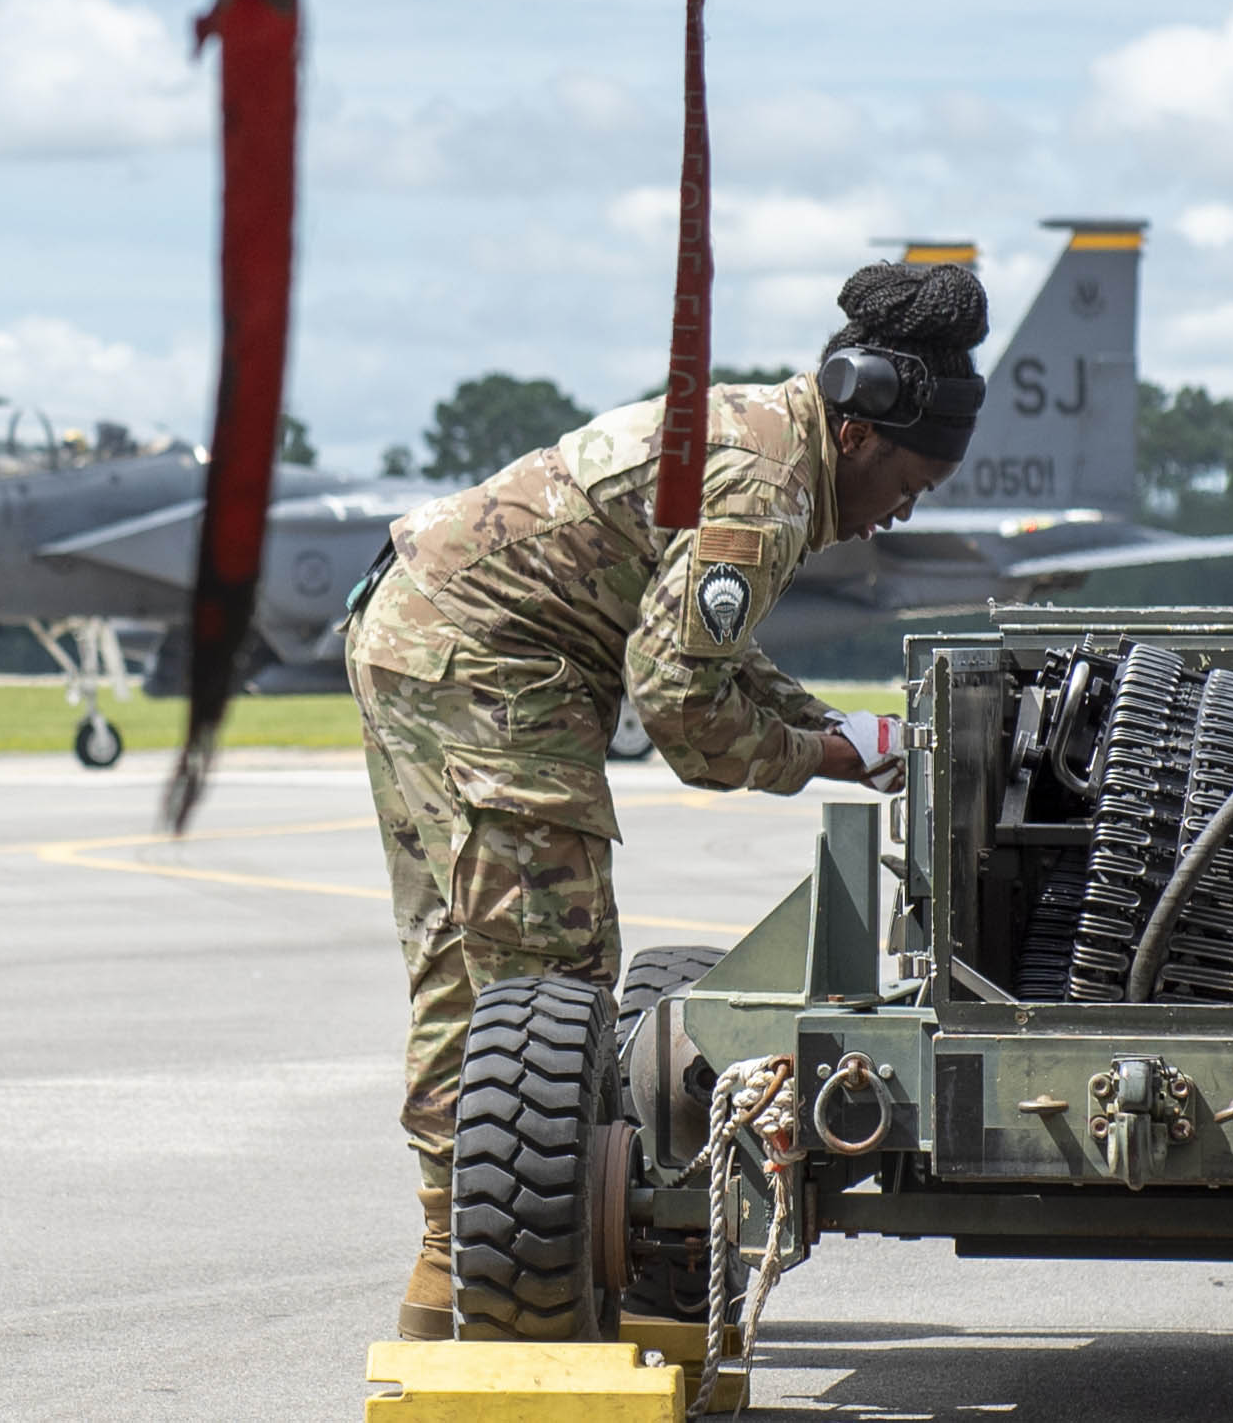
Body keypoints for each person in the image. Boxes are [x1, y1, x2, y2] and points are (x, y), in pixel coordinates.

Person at [343, 259, 991, 1340]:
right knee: (548, 983)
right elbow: (684, 712)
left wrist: (837, 727)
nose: (896, 514)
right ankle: (505, 1278)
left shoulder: (763, 437)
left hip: (421, 638)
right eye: (908, 486)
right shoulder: (764, 492)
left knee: (467, 969)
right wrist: (832, 762)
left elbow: (703, 651)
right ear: (859, 437)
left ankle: (445, 1269)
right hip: (490, 667)